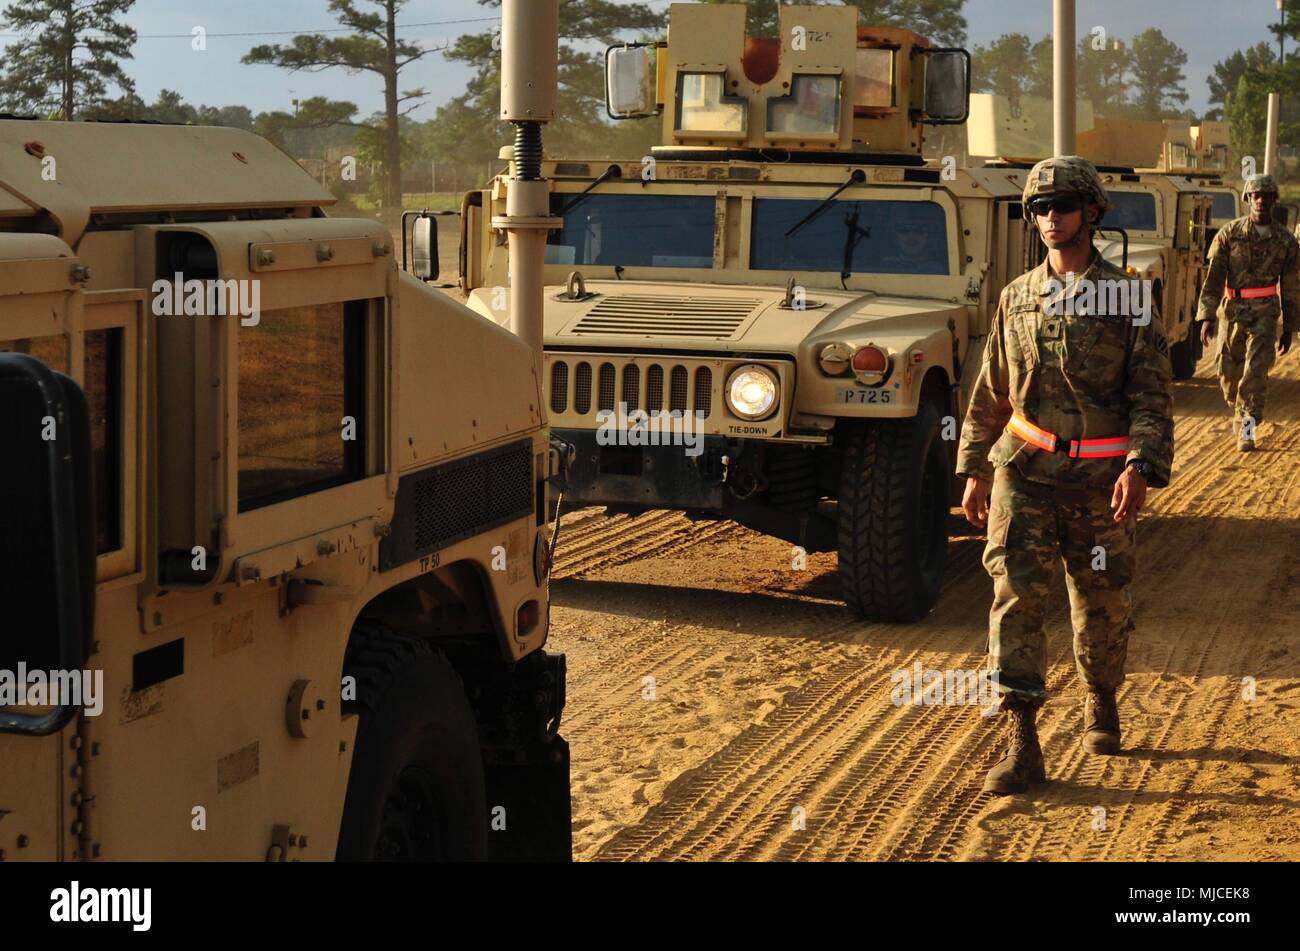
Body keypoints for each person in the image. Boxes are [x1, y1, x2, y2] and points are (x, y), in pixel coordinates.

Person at [956, 156, 1175, 796]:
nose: (1052, 218)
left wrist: (1140, 464)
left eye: (1064, 206)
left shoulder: (1128, 297)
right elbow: (992, 388)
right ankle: (1022, 743)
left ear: (1093, 212)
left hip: (1101, 478)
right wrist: (972, 464)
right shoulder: (1016, 295)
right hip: (1023, 470)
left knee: (1100, 598)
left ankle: (1102, 698)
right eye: (1041, 209)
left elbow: (1152, 395)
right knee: (1015, 598)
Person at [1195, 174, 1299, 451]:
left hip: (1265, 314)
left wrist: (1289, 326)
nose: (1261, 200)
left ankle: (1247, 427)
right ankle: (1239, 409)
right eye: (1256, 195)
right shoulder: (1229, 234)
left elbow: (1290, 287)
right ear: (1248, 199)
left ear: (1274, 200)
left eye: (1266, 196)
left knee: (1255, 373)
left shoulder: (1286, 241)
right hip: (1231, 312)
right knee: (1227, 373)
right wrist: (1206, 315)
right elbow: (1214, 278)